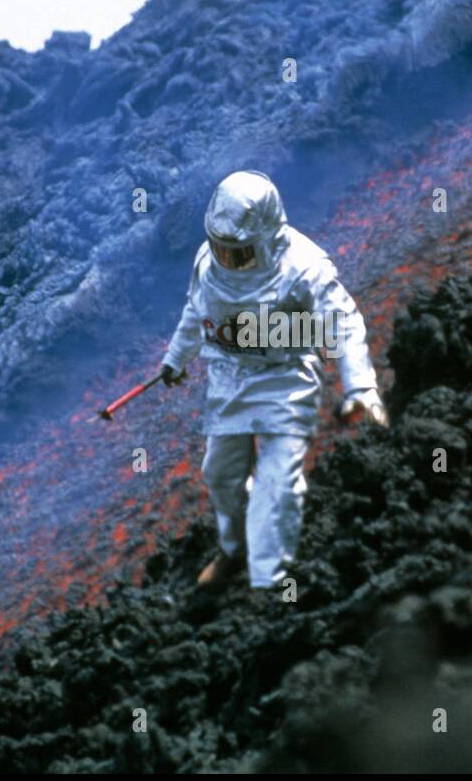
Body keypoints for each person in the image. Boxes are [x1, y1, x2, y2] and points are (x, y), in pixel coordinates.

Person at [160, 170, 387, 591]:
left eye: (240, 253)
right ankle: (235, 548)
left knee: (276, 480)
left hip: (285, 377)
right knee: (220, 475)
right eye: (223, 250)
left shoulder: (303, 268)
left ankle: (268, 582)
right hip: (229, 376)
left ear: (269, 238)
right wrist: (176, 358)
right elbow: (196, 311)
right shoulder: (208, 263)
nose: (229, 260)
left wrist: (360, 388)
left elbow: (342, 324)